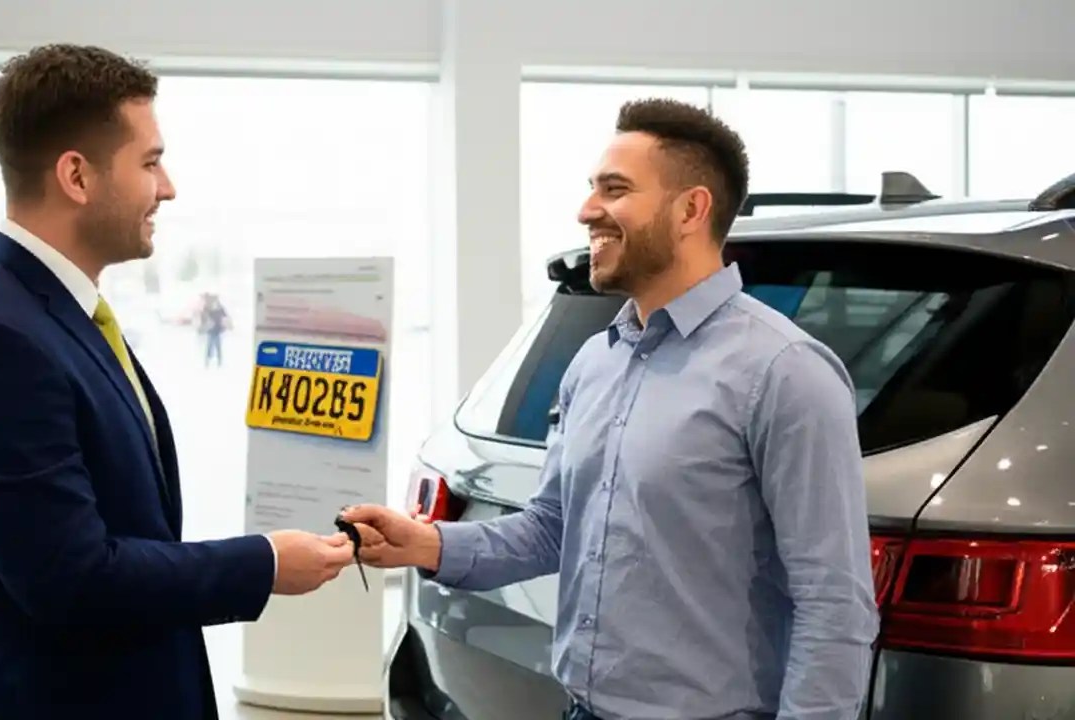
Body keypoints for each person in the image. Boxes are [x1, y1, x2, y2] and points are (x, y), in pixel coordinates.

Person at [342, 98, 879, 720]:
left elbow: (833, 602)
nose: (586, 210)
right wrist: (428, 545)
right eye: (592, 188)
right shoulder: (595, 363)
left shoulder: (785, 371)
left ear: (691, 209)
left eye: (615, 189)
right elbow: (552, 529)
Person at [0, 44, 355, 720]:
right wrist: (262, 563)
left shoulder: (45, 313)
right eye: (150, 162)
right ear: (76, 176)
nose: (167, 187)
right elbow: (73, 581)